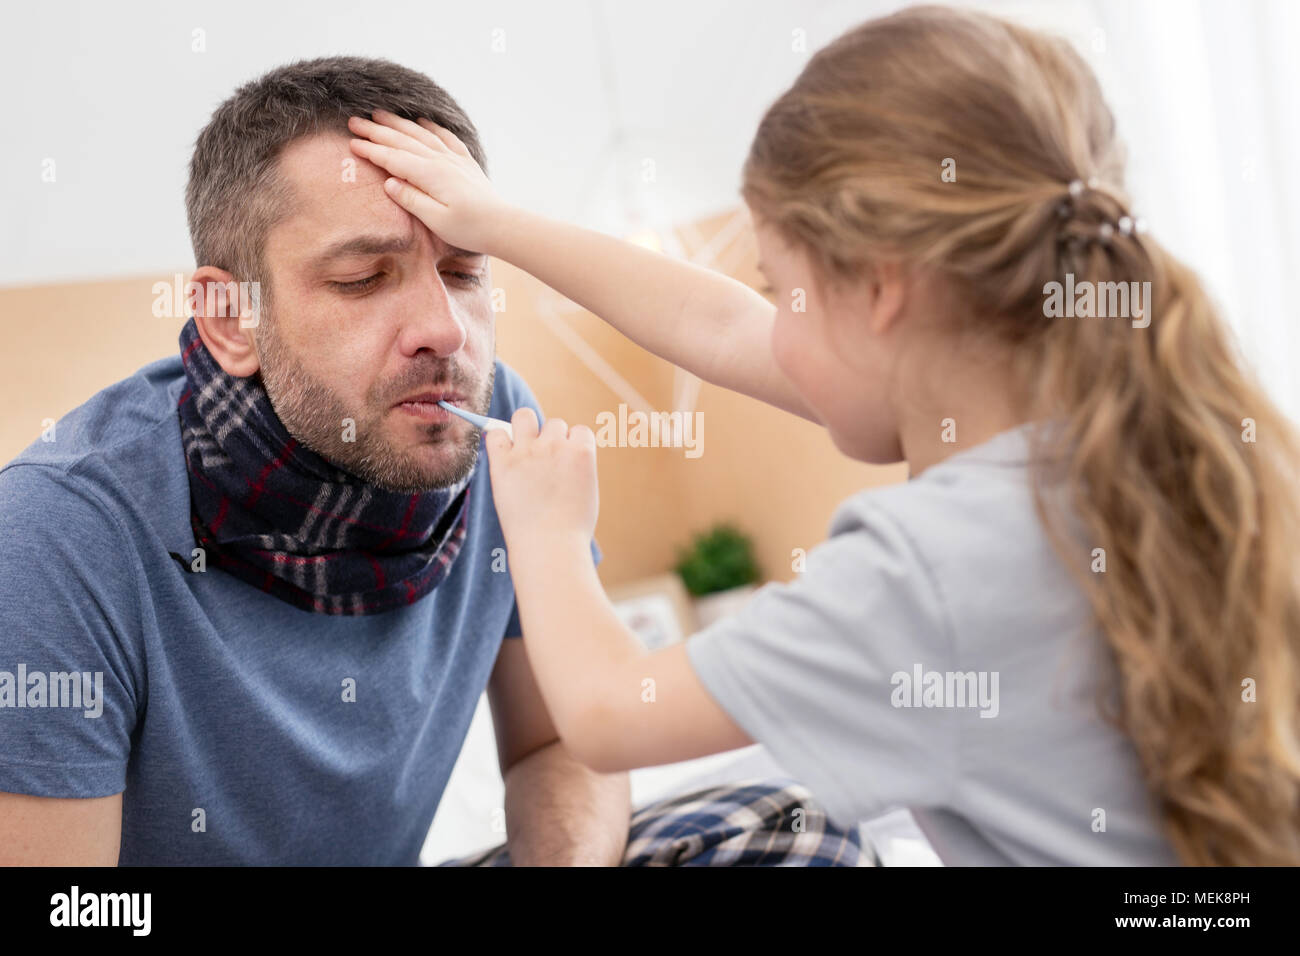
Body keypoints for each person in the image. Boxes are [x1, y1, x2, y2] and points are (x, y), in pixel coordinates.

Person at [350, 5, 1300, 866]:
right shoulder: (1176, 445)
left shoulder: (927, 572)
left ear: (881, 289)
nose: (768, 328)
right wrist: (495, 224)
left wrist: (549, 536)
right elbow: (717, 330)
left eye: (777, 285)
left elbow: (604, 715)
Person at [0, 56, 867, 867]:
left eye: (462, 271)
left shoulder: (498, 427)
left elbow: (560, 738)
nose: (445, 332)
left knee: (791, 826)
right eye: (363, 279)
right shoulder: (56, 534)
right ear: (230, 319)